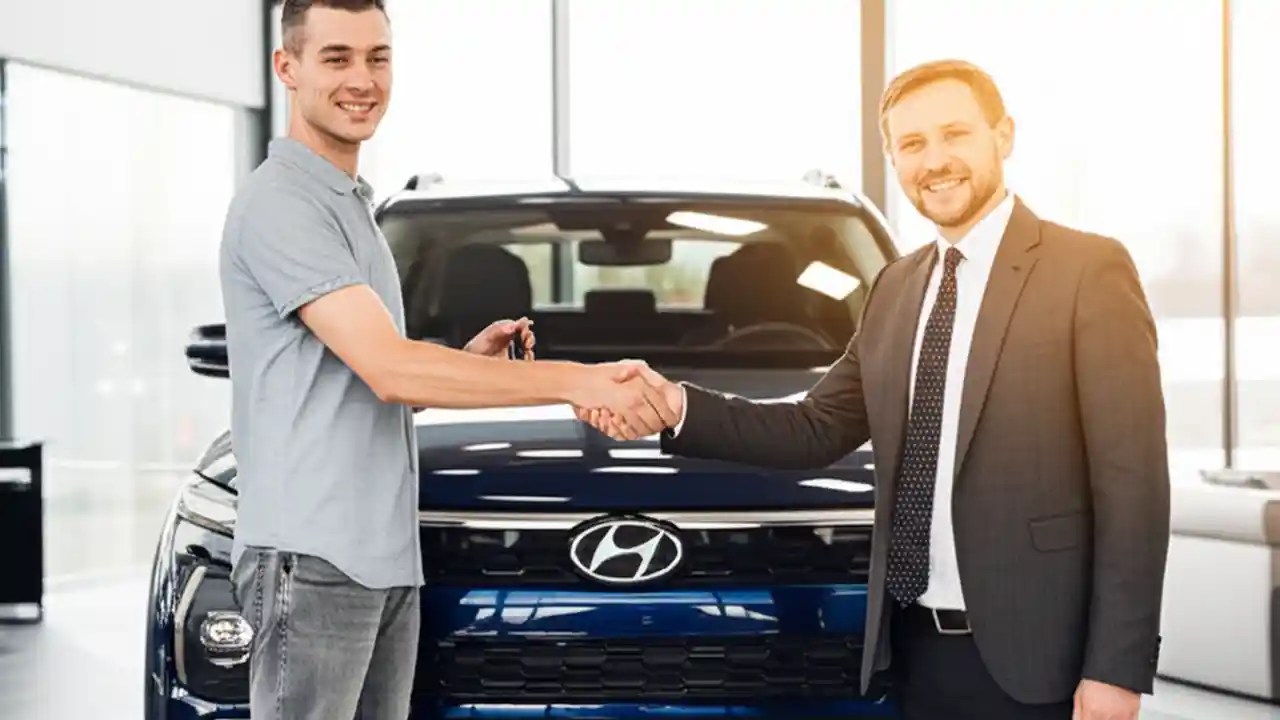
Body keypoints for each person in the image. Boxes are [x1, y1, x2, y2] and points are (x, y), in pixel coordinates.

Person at [586, 59, 1169, 720]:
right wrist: (676, 404)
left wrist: (1116, 670)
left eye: (956, 134)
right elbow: (816, 427)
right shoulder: (897, 286)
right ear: (893, 159)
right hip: (913, 651)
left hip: (1040, 663)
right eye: (913, 144)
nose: (936, 160)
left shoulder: (1086, 271)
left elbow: (1134, 487)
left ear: (1002, 136)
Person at [218, 1, 677, 717]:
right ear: (288, 67)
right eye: (337, 58)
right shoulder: (283, 204)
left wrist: (463, 363)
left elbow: (361, 383)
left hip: (380, 559)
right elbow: (390, 368)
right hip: (315, 559)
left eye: (378, 57)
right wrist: (577, 382)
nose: (363, 79)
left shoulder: (348, 206)